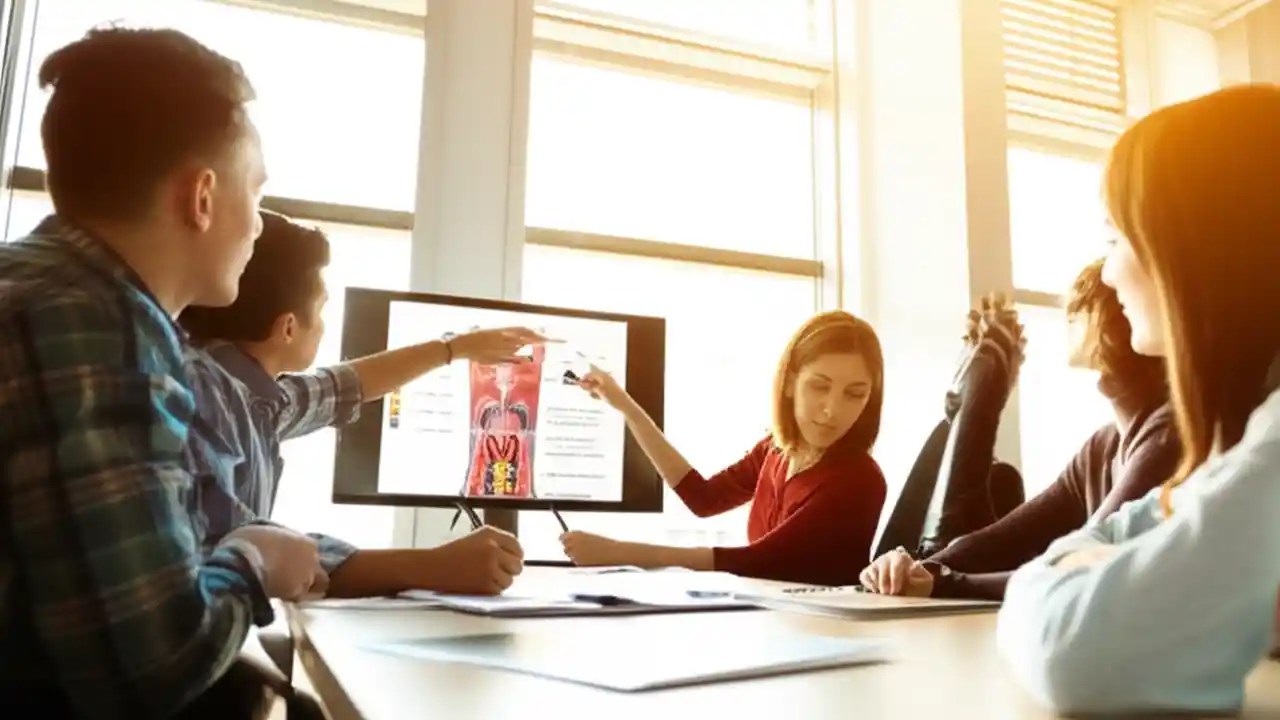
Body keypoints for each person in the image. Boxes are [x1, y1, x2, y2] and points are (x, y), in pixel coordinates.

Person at [0, 28, 322, 717]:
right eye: (255, 194)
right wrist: (256, 559)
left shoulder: (31, 283)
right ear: (202, 197)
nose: (260, 226)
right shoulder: (99, 328)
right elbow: (151, 663)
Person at [995, 84, 1280, 715]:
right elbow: (1118, 531)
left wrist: (1065, 574)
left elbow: (1077, 653)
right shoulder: (1251, 430)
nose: (1107, 273)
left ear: (1193, 247)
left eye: (1114, 240)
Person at [178, 211, 547, 597]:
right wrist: (432, 566)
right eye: (320, 309)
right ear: (287, 328)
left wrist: (455, 349)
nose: (322, 324)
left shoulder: (252, 395)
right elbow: (241, 550)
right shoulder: (208, 395)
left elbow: (344, 387)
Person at [861, 258, 1179, 600]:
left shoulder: (1167, 436)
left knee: (992, 478)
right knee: (994, 476)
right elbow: (1005, 540)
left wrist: (943, 581)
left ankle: (978, 401)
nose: (1068, 315)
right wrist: (921, 569)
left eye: (1085, 305)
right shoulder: (1102, 446)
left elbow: (1079, 568)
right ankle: (975, 403)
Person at [559, 311, 888, 585]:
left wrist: (618, 552)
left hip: (830, 641)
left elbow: (755, 561)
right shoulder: (775, 451)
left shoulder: (860, 481)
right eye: (820, 386)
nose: (832, 409)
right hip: (775, 625)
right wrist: (625, 405)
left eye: (854, 394)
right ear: (789, 382)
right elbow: (702, 498)